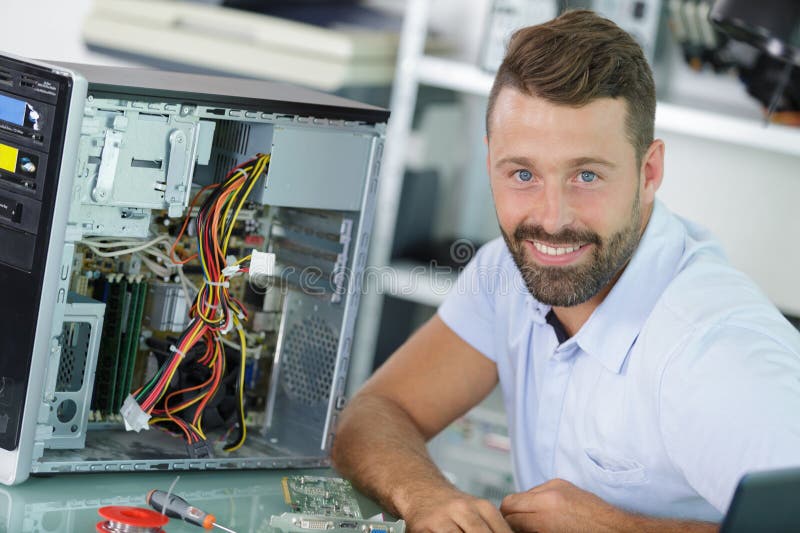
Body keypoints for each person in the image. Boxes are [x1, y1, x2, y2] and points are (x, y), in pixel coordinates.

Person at [332, 9, 800, 533]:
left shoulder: (715, 352)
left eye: (586, 175)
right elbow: (375, 411)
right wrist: (426, 497)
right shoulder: (504, 274)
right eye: (524, 174)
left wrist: (619, 529)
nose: (552, 220)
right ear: (491, 163)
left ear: (649, 173)